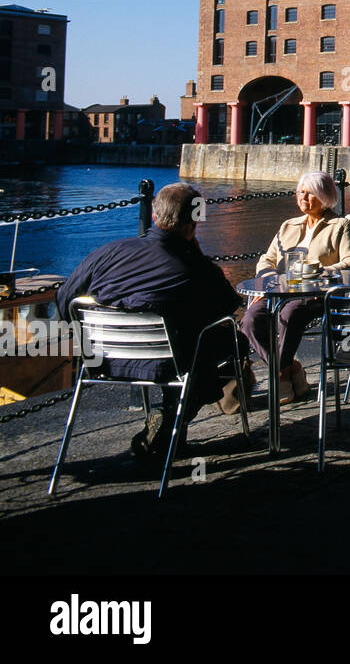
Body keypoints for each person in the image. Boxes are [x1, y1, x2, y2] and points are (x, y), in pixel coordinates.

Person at [54, 182, 248, 462]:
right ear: (195, 222)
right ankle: (170, 420)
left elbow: (65, 298)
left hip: (100, 359)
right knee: (232, 341)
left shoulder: (109, 252)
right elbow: (229, 307)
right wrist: (197, 256)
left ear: (155, 216)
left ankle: (169, 435)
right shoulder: (195, 267)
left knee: (188, 342)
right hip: (165, 360)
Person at [242, 171, 350, 403]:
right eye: (300, 193)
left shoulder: (340, 225)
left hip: (319, 295)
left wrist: (318, 271)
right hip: (281, 290)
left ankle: (281, 376)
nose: (303, 198)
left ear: (325, 196)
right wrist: (267, 281)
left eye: (309, 193)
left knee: (290, 313)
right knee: (250, 319)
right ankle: (289, 369)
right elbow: (266, 260)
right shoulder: (288, 225)